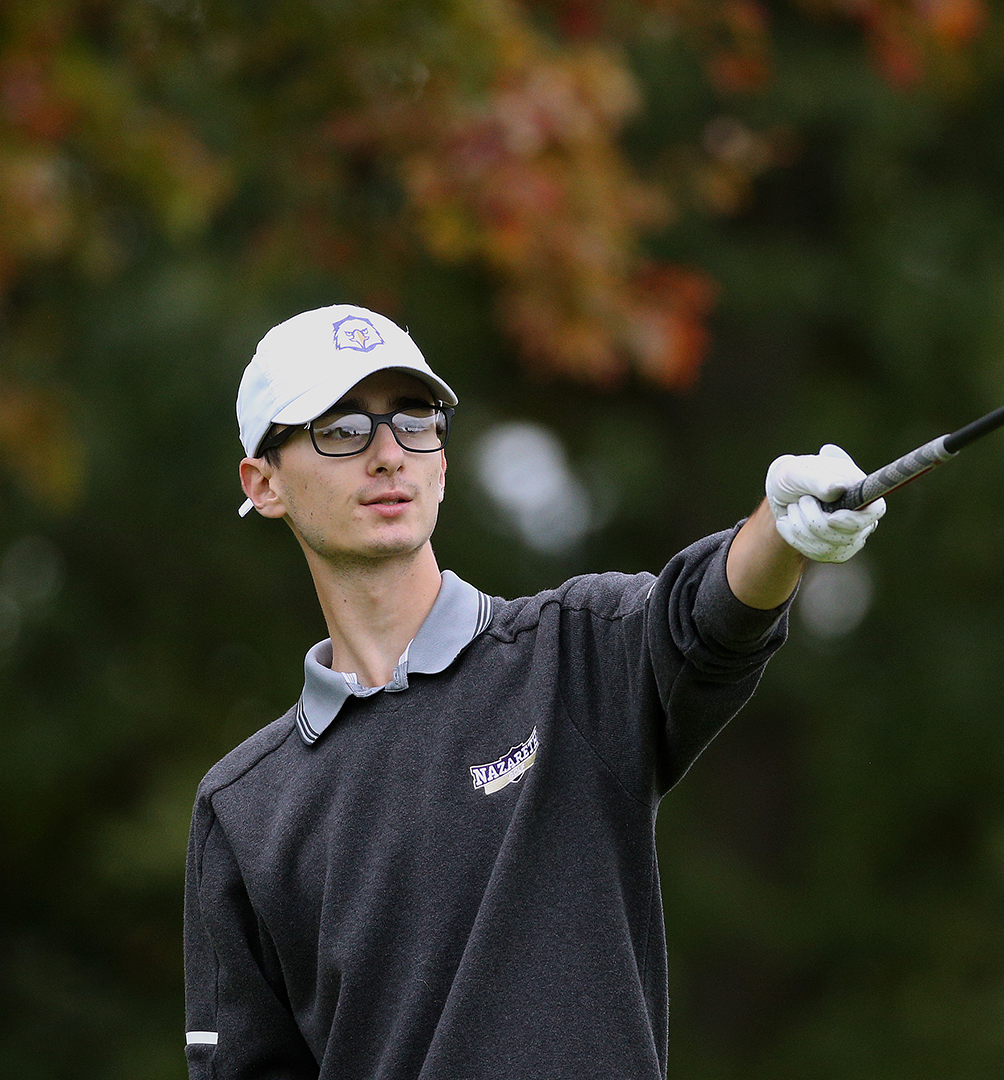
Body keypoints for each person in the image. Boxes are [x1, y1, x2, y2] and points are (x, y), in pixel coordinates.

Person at [184, 304, 887, 1079]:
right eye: (342, 429)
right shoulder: (244, 806)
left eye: (414, 421)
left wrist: (781, 531)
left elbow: (704, 621)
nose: (388, 454)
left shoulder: (574, 655)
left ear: (442, 464)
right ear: (266, 481)